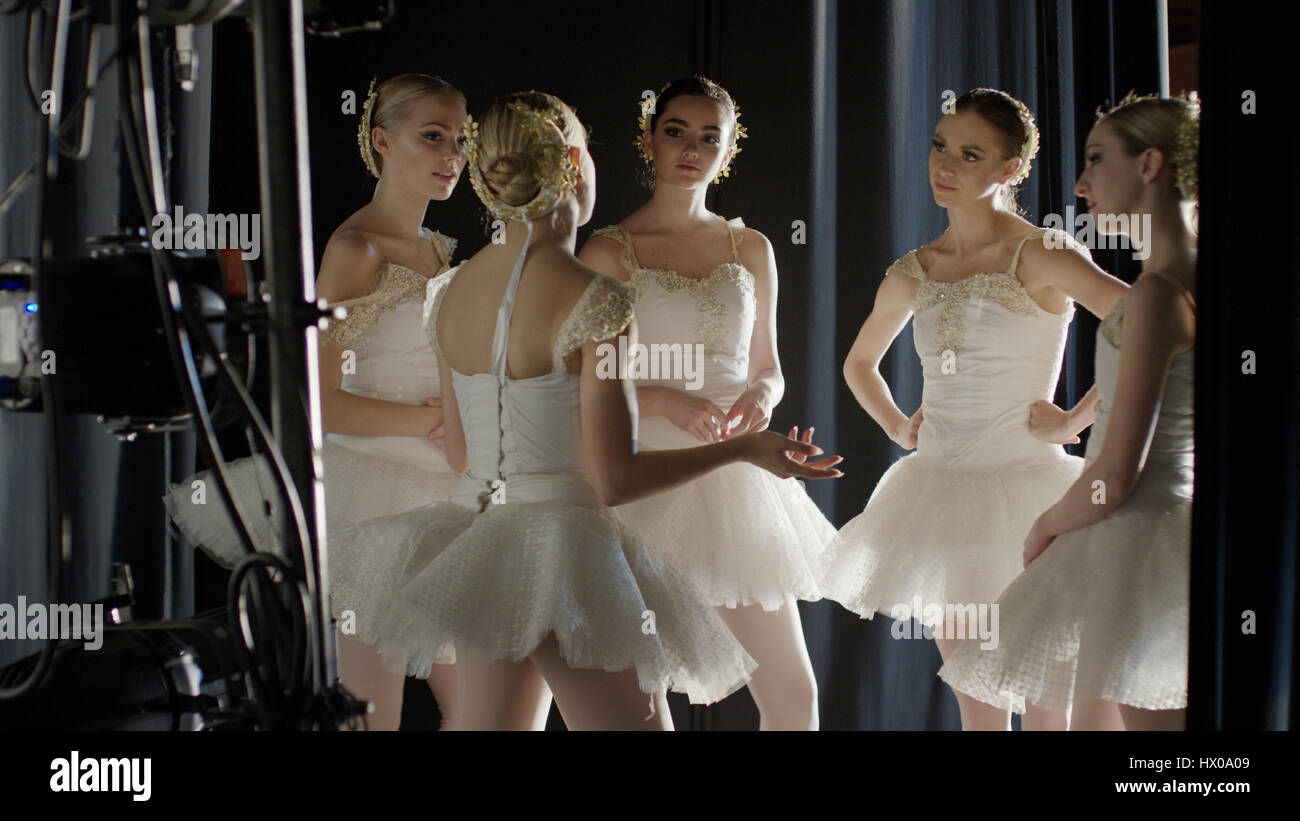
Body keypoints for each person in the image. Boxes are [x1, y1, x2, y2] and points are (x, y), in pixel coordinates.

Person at [332, 91, 842, 730]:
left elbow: (463, 456)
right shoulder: (596, 300)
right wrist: (744, 448)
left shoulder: (451, 289)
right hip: (565, 552)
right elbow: (614, 481)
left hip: (483, 544)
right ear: (576, 161)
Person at [817, 88, 1128, 730]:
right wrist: (900, 426)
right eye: (939, 146)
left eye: (970, 153)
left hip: (1030, 493)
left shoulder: (1041, 253)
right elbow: (857, 364)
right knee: (976, 703)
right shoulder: (915, 270)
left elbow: (1152, 324)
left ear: (1009, 169)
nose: (945, 165)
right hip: (940, 501)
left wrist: (1076, 419)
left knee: (1047, 707)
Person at [165, 74, 468, 730]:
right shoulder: (355, 249)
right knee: (370, 714)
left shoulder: (438, 249)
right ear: (382, 140)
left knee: (482, 704)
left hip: (444, 486)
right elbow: (319, 402)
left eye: (461, 141)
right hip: (370, 491)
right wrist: (434, 419)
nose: (452, 155)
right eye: (433, 136)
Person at [579, 76, 836, 730]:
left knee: (793, 694)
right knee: (643, 694)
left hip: (735, 479)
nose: (691, 148)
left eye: (708, 137)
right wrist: (664, 398)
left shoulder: (750, 248)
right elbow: (580, 376)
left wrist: (760, 394)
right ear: (649, 140)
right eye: (676, 131)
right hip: (642, 473)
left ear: (728, 151)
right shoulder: (609, 250)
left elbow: (770, 366)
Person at [939, 93, 1199, 731]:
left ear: (1148, 166)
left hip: (1137, 536)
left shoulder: (1158, 296)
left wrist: (1044, 529)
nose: (1081, 184)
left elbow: (1113, 475)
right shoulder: (1175, 285)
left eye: (1095, 159)